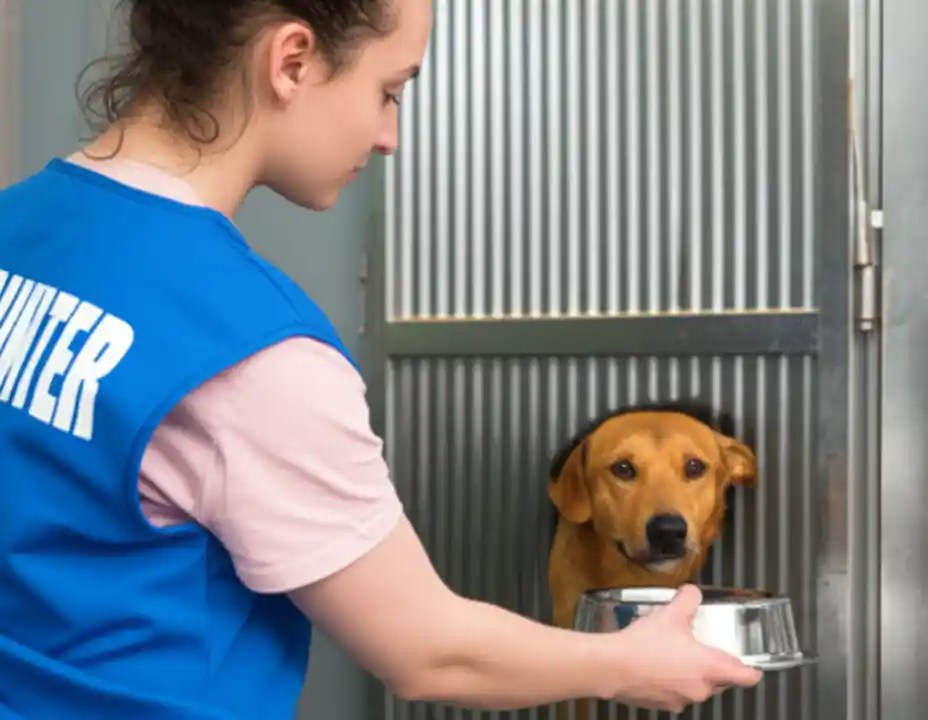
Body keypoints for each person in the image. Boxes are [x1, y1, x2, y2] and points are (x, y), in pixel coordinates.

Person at [0, 0, 763, 716]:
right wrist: (631, 664)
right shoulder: (249, 349)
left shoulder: (15, 225)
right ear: (293, 60)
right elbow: (429, 652)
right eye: (388, 90)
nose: (390, 134)